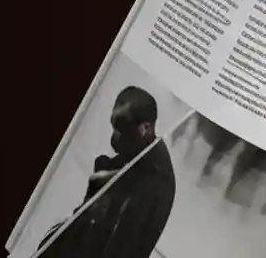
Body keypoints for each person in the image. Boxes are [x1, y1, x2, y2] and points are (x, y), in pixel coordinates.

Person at [38, 86, 176, 258]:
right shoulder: (139, 154)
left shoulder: (153, 184)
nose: (114, 138)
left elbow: (119, 244)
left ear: (145, 128)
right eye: (114, 127)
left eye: (122, 129)